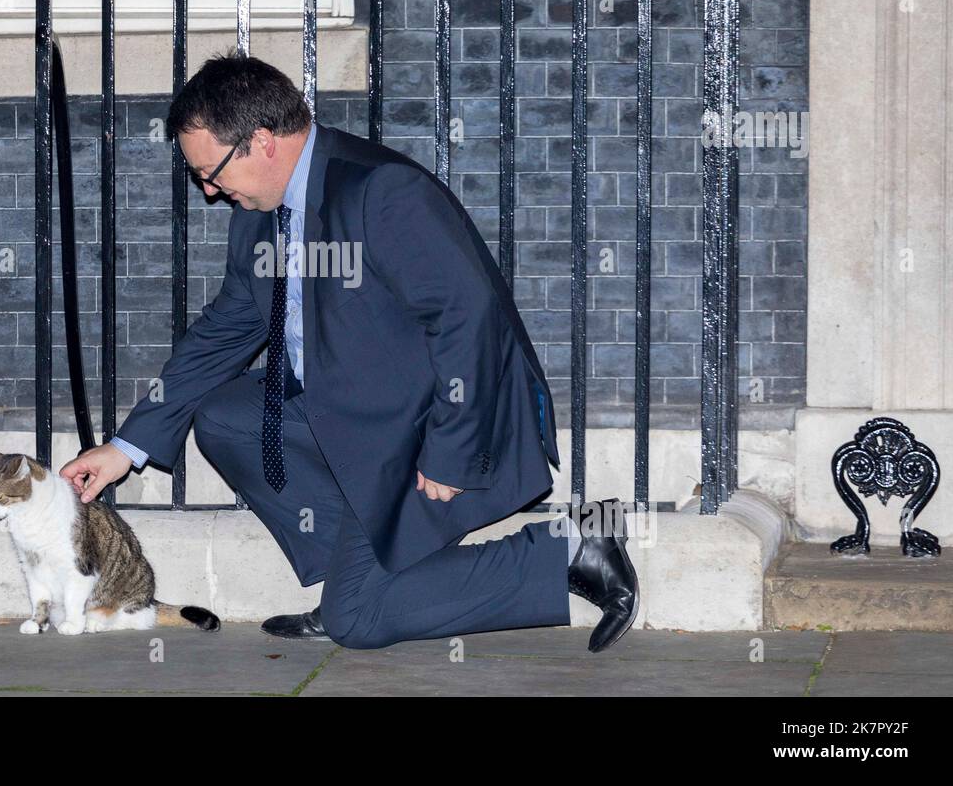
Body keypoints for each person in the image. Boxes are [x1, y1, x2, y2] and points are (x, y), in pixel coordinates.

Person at [61, 50, 638, 651]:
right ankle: (356, 578)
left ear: (262, 142)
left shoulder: (382, 191)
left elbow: (470, 319)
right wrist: (125, 448)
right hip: (357, 416)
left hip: (428, 423)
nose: (209, 191)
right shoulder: (260, 213)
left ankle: (573, 545)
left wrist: (451, 448)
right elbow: (224, 331)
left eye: (212, 172)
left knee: (357, 621)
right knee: (227, 417)